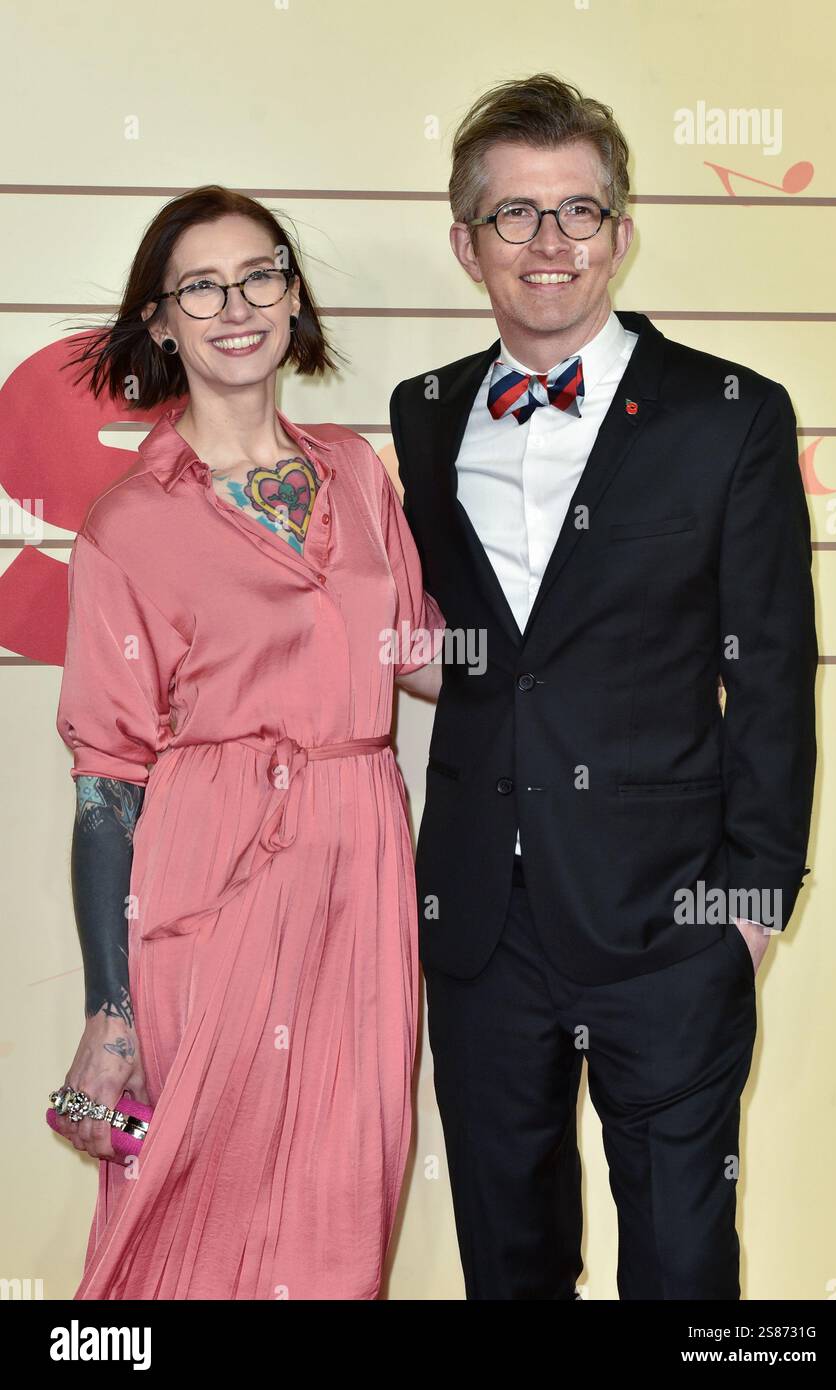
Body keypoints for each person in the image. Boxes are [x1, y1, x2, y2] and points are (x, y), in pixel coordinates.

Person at [389, 74, 817, 1299]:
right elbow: (445, 645)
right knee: (507, 1260)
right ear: (464, 241)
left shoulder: (724, 415)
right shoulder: (419, 420)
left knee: (683, 1268)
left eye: (578, 210)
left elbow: (771, 672)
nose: (548, 244)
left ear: (621, 232)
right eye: (514, 215)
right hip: (478, 924)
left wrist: (746, 908)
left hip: (670, 921)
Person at [51, 184, 443, 1299]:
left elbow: (418, 655)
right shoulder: (128, 524)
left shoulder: (359, 474)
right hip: (203, 884)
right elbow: (106, 782)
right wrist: (110, 1006)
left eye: (259, 274)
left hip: (359, 873)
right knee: (184, 1191)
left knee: (340, 1190)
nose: (237, 305)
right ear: (159, 321)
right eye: (200, 287)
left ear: (291, 294)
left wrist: (610, 662)